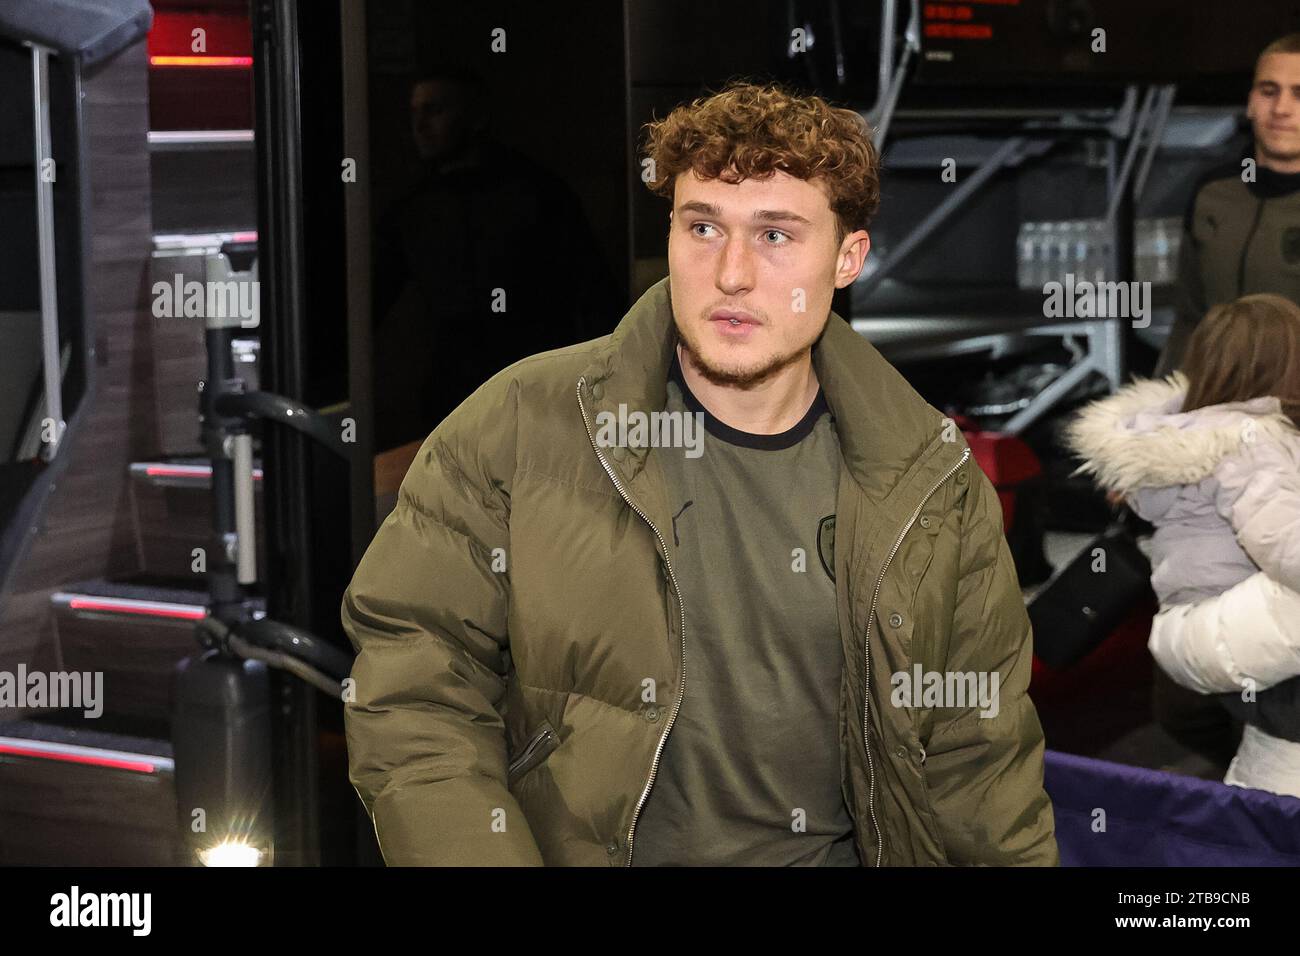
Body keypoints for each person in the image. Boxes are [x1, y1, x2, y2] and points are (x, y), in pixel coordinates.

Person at [341, 80, 1058, 865]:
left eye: (777, 235)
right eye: (704, 227)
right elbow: (415, 685)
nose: (732, 273)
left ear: (848, 257)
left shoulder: (930, 481)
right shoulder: (521, 423)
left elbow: (981, 765)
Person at [1067, 293, 1300, 797]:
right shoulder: (1251, 439)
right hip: (1225, 623)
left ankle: (1253, 815)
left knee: (1275, 751)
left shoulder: (1193, 433)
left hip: (1193, 629)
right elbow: (1285, 547)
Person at [1155, 33, 1300, 378]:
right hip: (1211, 415)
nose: (1281, 109)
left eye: (1299, 94)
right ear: (1250, 102)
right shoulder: (1214, 193)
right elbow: (1189, 319)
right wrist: (1163, 406)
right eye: (1268, 91)